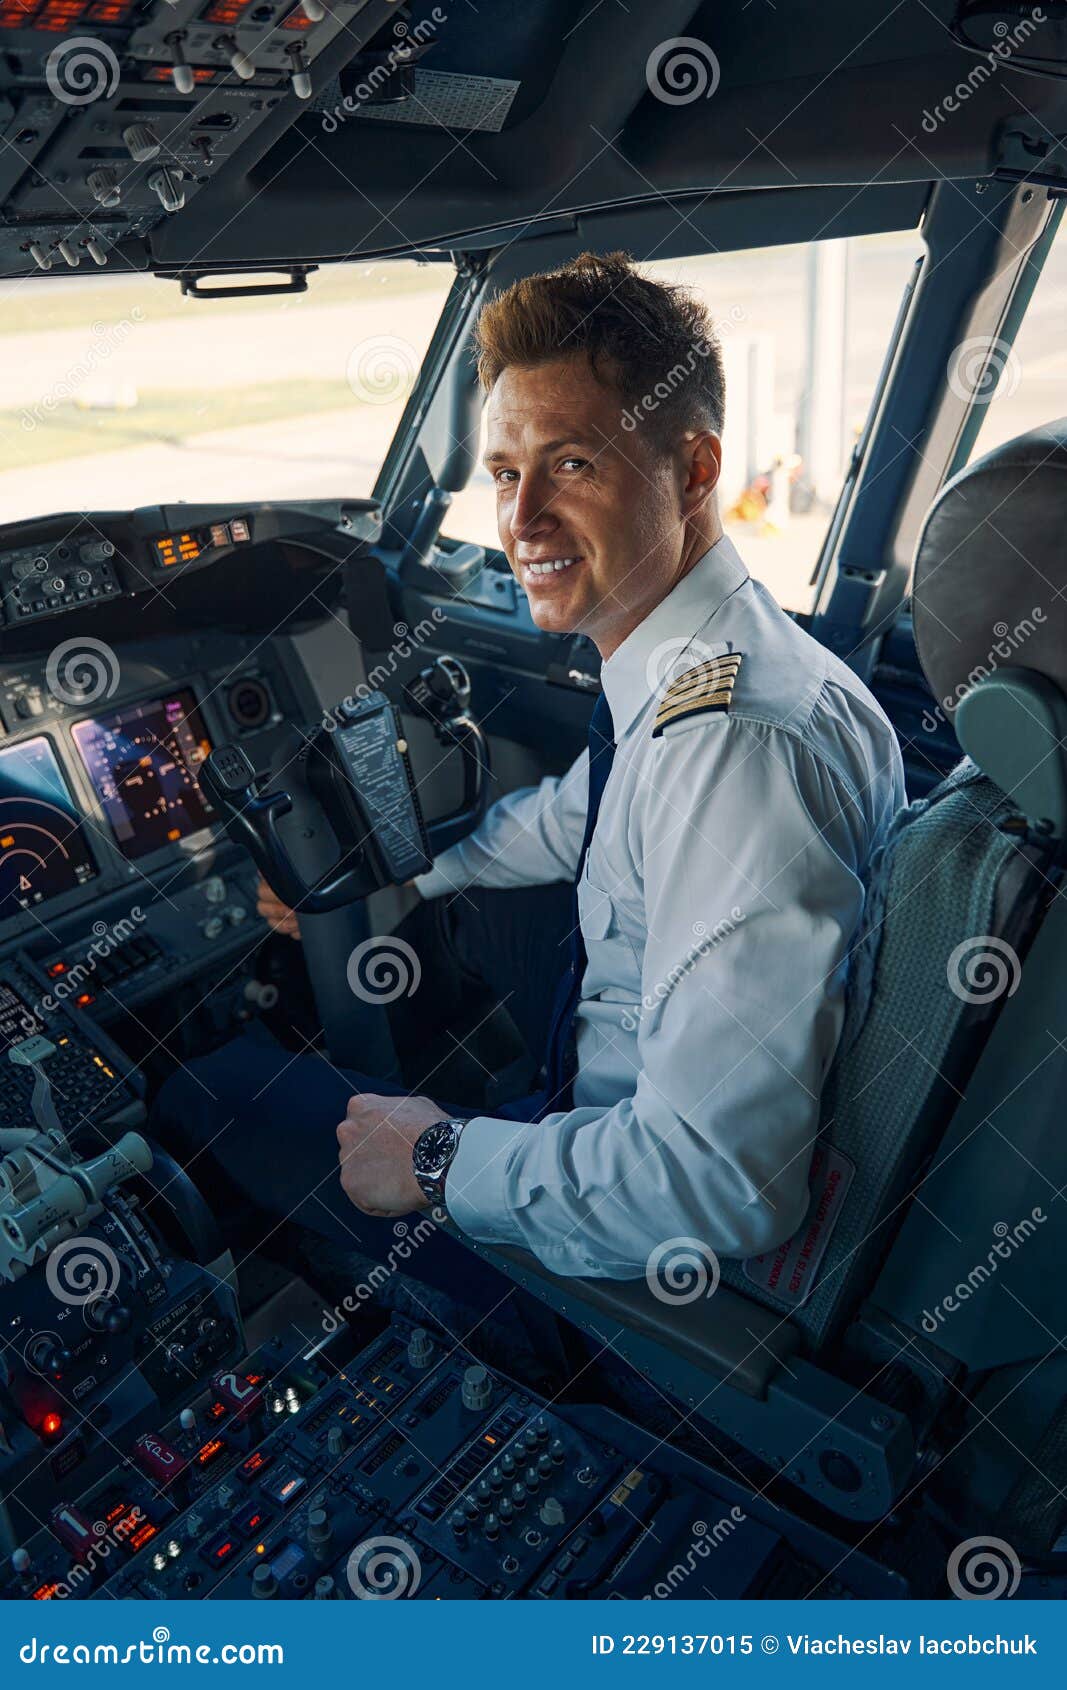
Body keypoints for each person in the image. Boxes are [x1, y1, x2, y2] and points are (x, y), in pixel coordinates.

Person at [153, 250, 905, 1304]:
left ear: (692, 470)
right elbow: (579, 817)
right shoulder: (718, 666)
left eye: (573, 464)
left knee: (207, 1087)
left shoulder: (731, 749)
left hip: (646, 1290)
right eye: (507, 474)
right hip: (601, 1150)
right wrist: (409, 876)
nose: (520, 521)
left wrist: (436, 1162)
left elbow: (722, 1185)